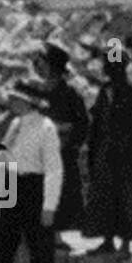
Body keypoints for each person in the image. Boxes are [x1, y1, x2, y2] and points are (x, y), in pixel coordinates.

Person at [0, 81, 62, 263]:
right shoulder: (15, 124)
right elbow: (5, 155)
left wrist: (49, 205)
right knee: (2, 246)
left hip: (33, 187)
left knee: (39, 249)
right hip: (11, 185)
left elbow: (54, 169)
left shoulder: (45, 127)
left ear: (30, 102)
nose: (12, 103)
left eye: (17, 99)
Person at [84, 52, 132, 260]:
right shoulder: (104, 91)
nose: (110, 70)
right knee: (104, 198)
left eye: (114, 66)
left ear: (123, 67)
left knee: (128, 200)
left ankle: (125, 245)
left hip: (129, 157)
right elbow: (97, 124)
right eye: (108, 66)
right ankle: (107, 241)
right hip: (105, 154)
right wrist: (93, 152)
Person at [32, 42, 89, 251]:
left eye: (42, 62)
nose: (38, 66)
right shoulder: (36, 90)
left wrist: (68, 141)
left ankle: (54, 236)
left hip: (61, 152)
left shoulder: (70, 93)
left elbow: (82, 123)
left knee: (60, 194)